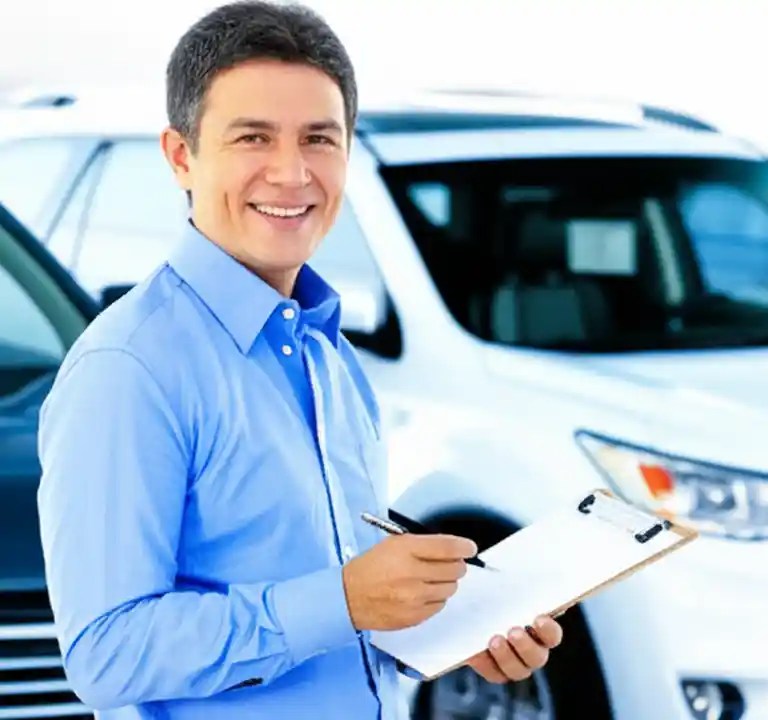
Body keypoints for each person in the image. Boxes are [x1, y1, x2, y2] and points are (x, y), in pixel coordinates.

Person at [35, 2, 562, 718]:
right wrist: (341, 601)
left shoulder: (328, 354)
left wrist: (446, 627)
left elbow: (339, 622)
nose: (292, 173)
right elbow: (106, 654)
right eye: (253, 137)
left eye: (320, 138)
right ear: (181, 156)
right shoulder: (128, 367)